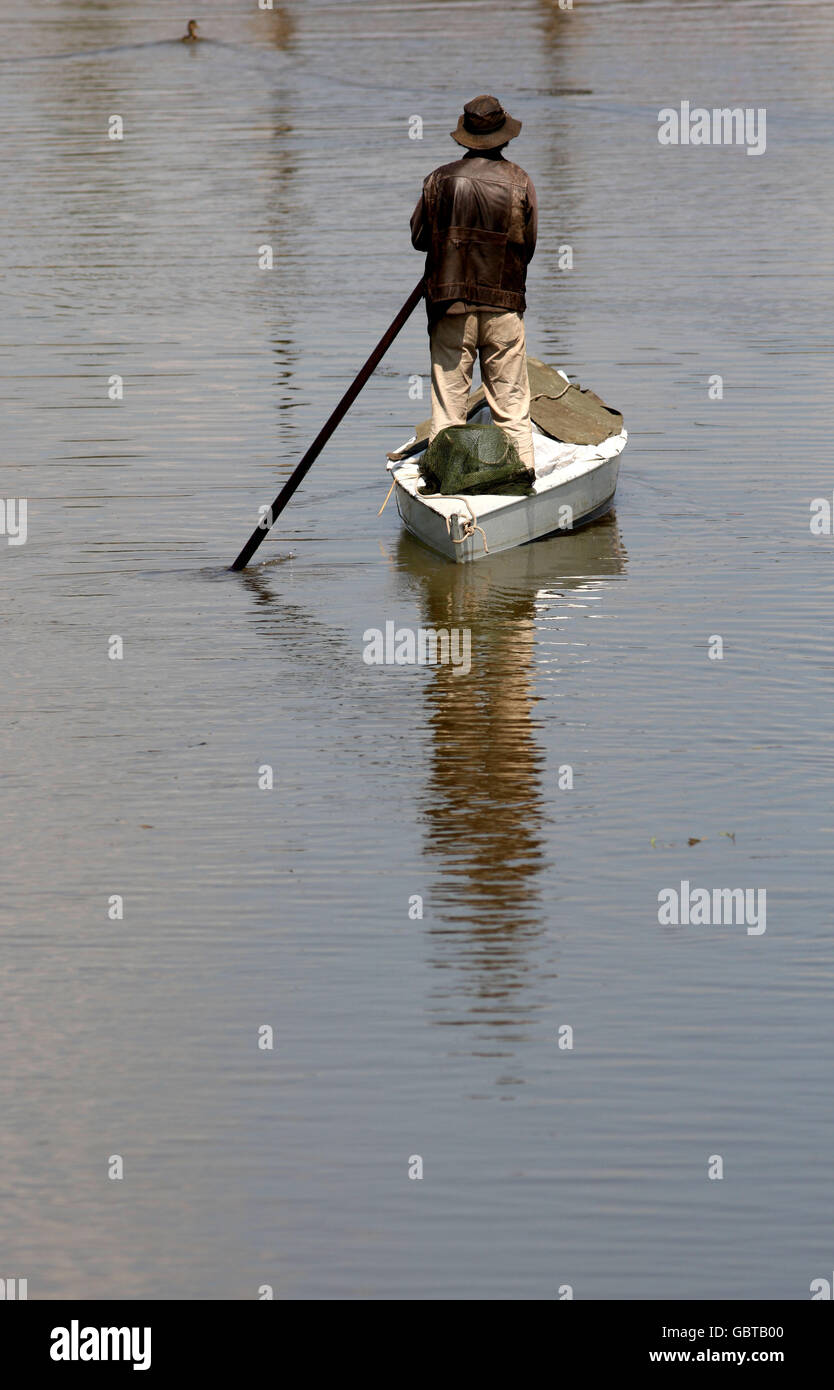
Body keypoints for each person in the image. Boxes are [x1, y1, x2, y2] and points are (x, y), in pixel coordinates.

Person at [410, 95, 538, 476]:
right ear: (505, 138)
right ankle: (520, 480)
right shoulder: (520, 181)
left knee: (450, 408)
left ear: (465, 138)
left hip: (450, 307)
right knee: (511, 406)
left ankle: (448, 480)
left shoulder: (438, 179)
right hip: (503, 306)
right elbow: (527, 248)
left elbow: (419, 238)